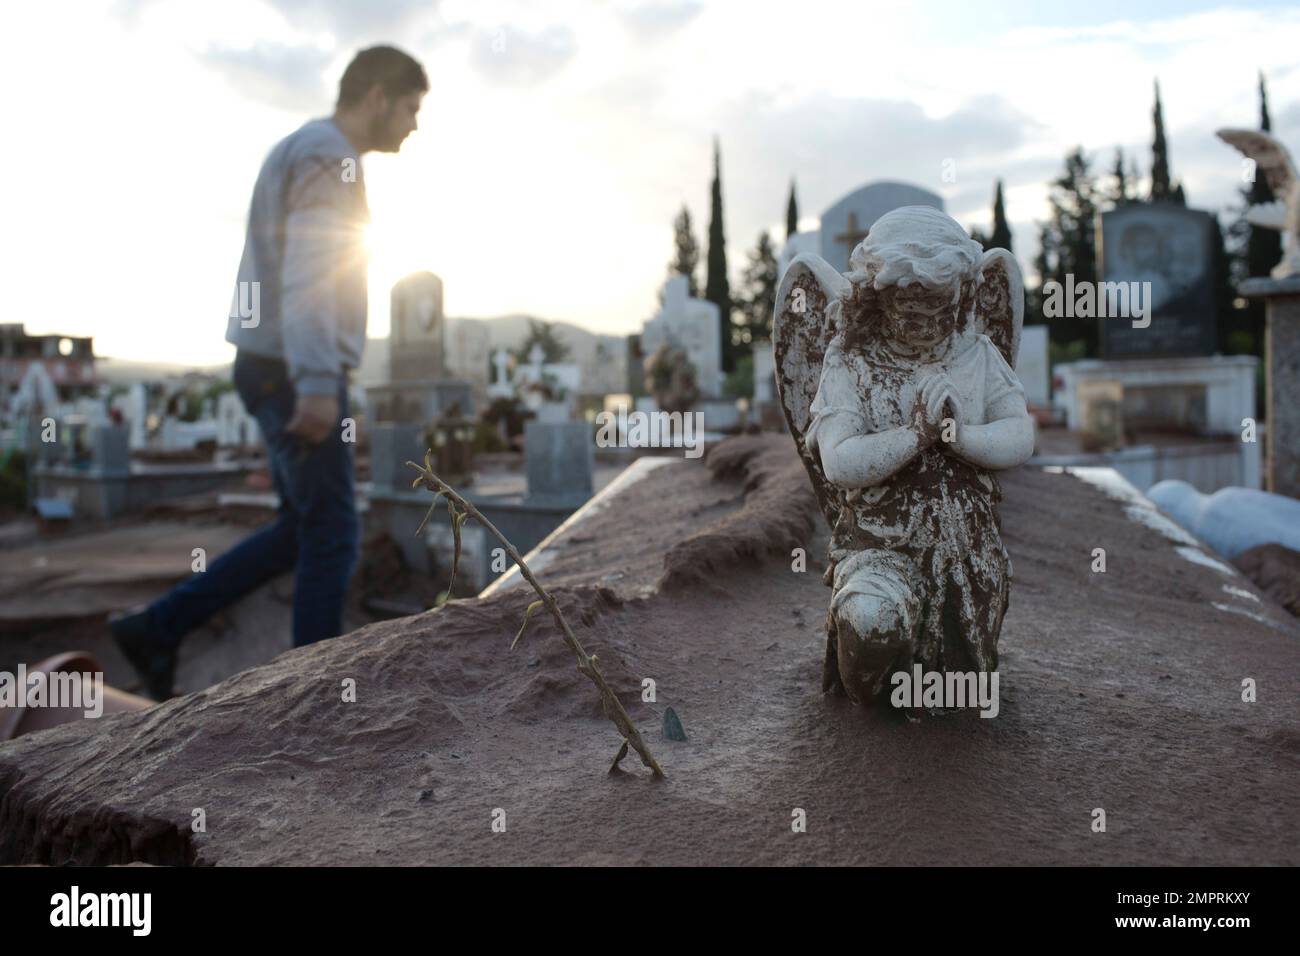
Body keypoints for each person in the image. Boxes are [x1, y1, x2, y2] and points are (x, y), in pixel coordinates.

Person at [111, 46, 428, 700]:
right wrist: (317, 381)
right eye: (410, 107)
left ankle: (157, 627)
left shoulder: (311, 149)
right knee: (335, 532)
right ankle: (312, 700)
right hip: (291, 369)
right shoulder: (326, 155)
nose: (414, 124)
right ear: (375, 96)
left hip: (271, 364)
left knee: (299, 531)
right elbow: (314, 269)